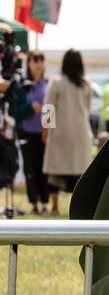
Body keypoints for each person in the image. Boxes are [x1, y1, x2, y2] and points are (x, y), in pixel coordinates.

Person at [43, 49, 96, 206]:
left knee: (55, 170)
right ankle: (79, 207)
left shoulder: (57, 81)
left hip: (61, 132)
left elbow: (49, 108)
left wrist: (46, 130)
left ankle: (54, 206)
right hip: (81, 132)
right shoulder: (86, 83)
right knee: (80, 173)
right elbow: (87, 107)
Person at [15, 51, 51, 213]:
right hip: (26, 132)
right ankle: (33, 203)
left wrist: (48, 129)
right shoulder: (21, 85)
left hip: (43, 134)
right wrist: (30, 108)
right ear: (28, 63)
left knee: (42, 168)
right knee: (29, 169)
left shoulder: (48, 84)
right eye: (35, 60)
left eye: (41, 60)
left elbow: (51, 108)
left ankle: (44, 202)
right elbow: (15, 111)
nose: (38, 64)